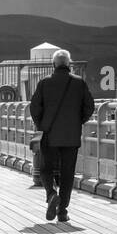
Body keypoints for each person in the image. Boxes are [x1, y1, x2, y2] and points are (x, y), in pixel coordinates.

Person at [29, 50, 95, 223]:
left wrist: (41, 125)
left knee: (45, 168)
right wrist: (78, 121)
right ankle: (62, 211)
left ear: (54, 64)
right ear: (69, 64)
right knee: (67, 173)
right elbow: (89, 106)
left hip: (49, 134)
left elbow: (34, 107)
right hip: (71, 136)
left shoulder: (44, 83)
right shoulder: (79, 83)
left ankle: (51, 194)